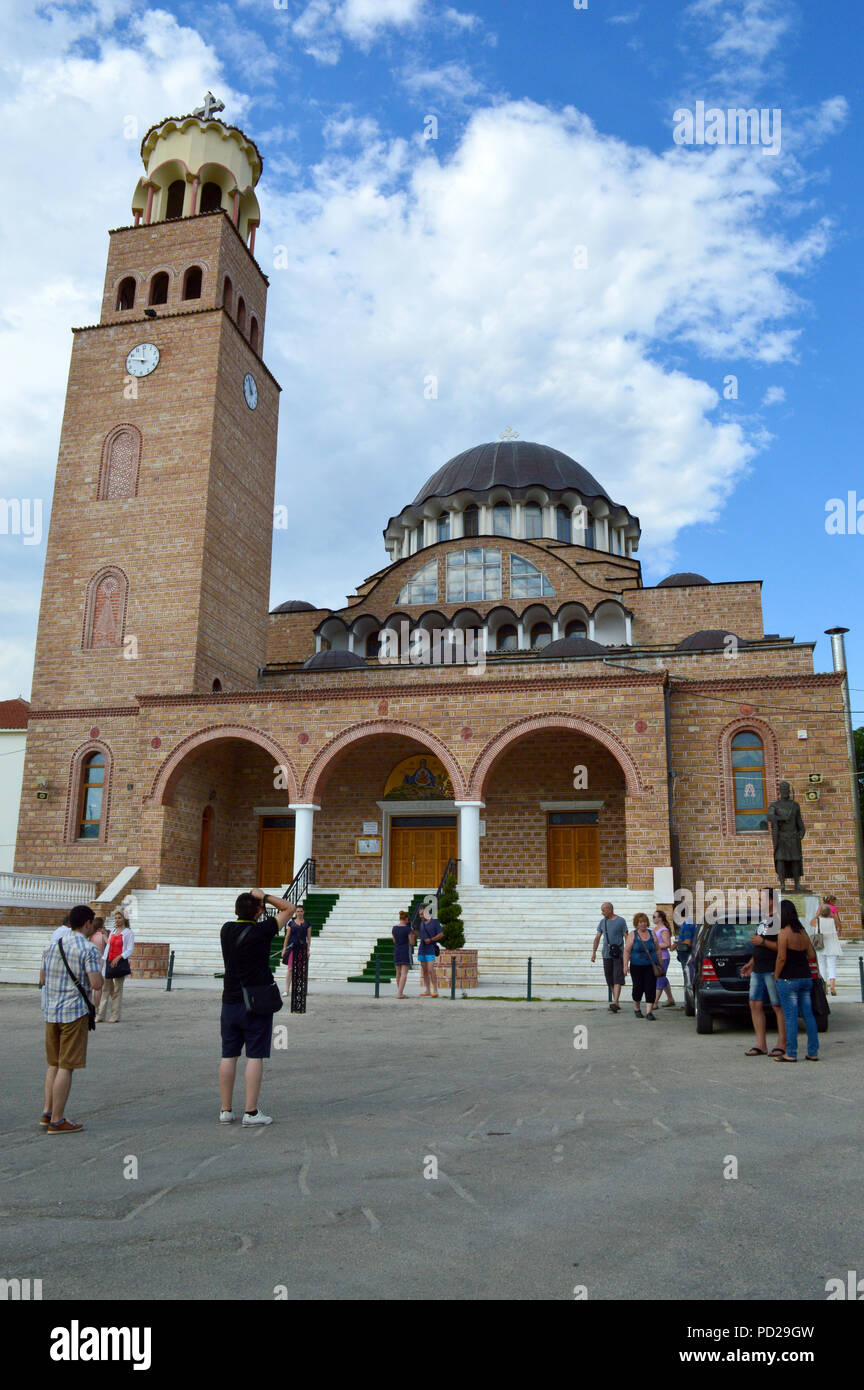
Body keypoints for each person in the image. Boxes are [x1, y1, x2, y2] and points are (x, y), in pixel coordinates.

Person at [219, 887, 295, 1124]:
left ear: (235, 911)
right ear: (259, 911)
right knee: (254, 1055)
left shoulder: (226, 929)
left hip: (230, 1000)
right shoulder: (262, 930)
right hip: (255, 1000)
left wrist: (257, 903)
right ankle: (250, 1111)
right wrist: (264, 896)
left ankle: (225, 1109)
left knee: (228, 1055)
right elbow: (289, 909)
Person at [39, 903, 102, 1133]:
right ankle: (58, 1119)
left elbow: (43, 978)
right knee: (67, 1066)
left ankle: (47, 1111)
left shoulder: (52, 945)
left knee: (53, 1063)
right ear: (87, 924)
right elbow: (96, 983)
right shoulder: (88, 949)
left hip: (51, 1011)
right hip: (73, 1012)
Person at [740, 888, 787, 1057]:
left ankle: (782, 1043)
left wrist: (763, 941)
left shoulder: (779, 920)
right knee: (754, 1003)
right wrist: (751, 963)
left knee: (777, 1005)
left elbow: (782, 947)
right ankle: (761, 1044)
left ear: (772, 901)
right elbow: (760, 945)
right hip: (758, 968)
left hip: (772, 969)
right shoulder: (764, 920)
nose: (759, 902)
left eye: (761, 899)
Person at [773, 899, 819, 1063]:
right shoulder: (802, 932)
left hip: (789, 977)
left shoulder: (783, 933)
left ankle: (791, 1052)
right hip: (805, 976)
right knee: (808, 1015)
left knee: (790, 1016)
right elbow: (812, 955)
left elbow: (781, 957)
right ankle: (813, 1051)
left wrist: (776, 975)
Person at [97, 910, 134, 1023]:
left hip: (119, 962)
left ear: (124, 919)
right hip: (109, 961)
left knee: (117, 989)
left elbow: (129, 949)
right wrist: (103, 961)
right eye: (116, 918)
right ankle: (100, 1014)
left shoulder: (128, 933)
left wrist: (119, 957)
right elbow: (108, 946)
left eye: (119, 918)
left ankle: (115, 1014)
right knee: (105, 989)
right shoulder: (113, 931)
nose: (117, 920)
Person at [591, 901, 627, 1012]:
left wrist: (627, 952)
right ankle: (616, 1002)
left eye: (603, 910)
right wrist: (594, 952)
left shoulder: (621, 921)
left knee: (617, 977)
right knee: (610, 978)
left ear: (610, 909)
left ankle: (615, 1001)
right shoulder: (602, 922)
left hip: (618, 953)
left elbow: (626, 936)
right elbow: (597, 937)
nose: (602, 913)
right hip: (606, 954)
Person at [623, 912, 661, 1019]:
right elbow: (626, 951)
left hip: (650, 966)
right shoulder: (632, 935)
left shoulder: (652, 933)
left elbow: (657, 949)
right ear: (637, 924)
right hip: (636, 966)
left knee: (650, 987)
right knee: (638, 988)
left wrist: (660, 963)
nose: (643, 924)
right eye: (640, 922)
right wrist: (625, 966)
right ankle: (637, 1008)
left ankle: (649, 1012)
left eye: (644, 922)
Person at [282, 904, 311, 1009]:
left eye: (301, 911)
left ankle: (299, 989)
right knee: (290, 969)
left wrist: (308, 950)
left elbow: (308, 938)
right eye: (297, 911)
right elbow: (287, 936)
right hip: (292, 948)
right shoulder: (291, 923)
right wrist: (284, 948)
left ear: (303, 912)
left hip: (302, 949)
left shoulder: (307, 924)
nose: (299, 913)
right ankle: (286, 990)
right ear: (295, 912)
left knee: (299, 970)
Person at [811, 900, 843, 996]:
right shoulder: (833, 920)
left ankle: (824, 987)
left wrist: (817, 915)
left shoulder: (818, 921)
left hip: (821, 945)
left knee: (822, 966)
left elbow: (811, 923)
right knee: (832, 966)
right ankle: (832, 987)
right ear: (829, 912)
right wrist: (833, 915)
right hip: (832, 945)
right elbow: (839, 926)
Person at [417, 904, 443, 997]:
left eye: (421, 914)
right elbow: (422, 935)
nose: (420, 916)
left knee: (431, 970)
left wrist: (431, 940)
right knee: (424, 971)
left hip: (431, 948)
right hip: (422, 949)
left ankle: (435, 990)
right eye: (419, 914)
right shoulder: (421, 923)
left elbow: (441, 934)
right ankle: (427, 990)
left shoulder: (435, 922)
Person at [652, 909, 676, 1007]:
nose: (652, 918)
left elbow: (667, 944)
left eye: (654, 917)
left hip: (663, 957)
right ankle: (670, 999)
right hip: (655, 956)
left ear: (660, 918)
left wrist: (655, 945)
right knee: (662, 977)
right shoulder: (655, 929)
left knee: (660, 978)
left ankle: (655, 1002)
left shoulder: (664, 930)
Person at [391, 910, 416, 999]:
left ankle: (400, 992)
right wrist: (413, 934)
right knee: (404, 974)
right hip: (405, 951)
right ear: (405, 919)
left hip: (397, 951)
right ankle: (400, 993)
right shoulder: (407, 929)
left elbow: (394, 941)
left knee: (398, 973)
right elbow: (412, 942)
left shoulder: (394, 928)